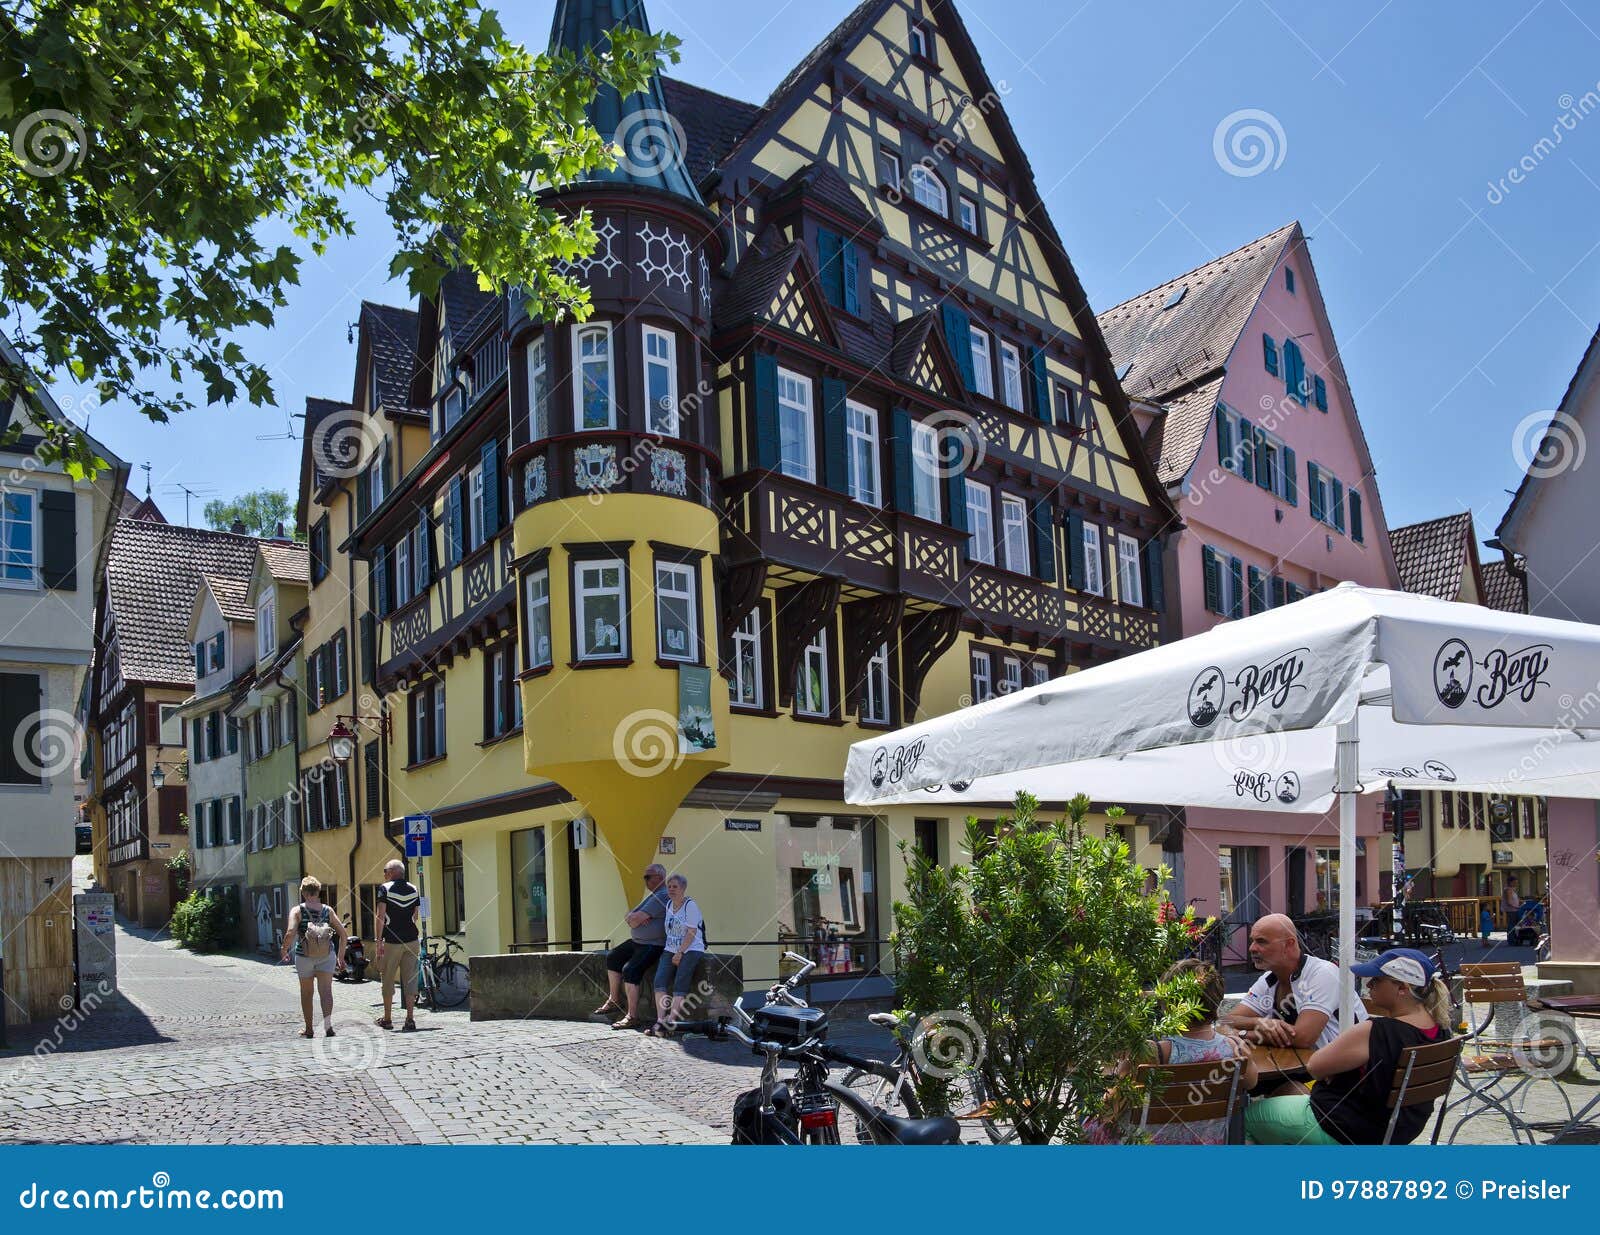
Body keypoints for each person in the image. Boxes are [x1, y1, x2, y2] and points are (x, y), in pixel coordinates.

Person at [1245, 948, 1455, 1144]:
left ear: (1402, 988)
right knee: (1289, 1092)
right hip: (1398, 1131)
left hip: (1344, 1128)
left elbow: (1315, 1067)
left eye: (1377, 980)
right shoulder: (1441, 1030)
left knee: (1242, 1118)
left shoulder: (1377, 1030)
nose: (1369, 984)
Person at [1087, 959, 1260, 1145]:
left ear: (1168, 1004)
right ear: (1217, 1001)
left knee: (1086, 1122)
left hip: (1148, 1145)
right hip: (1205, 1143)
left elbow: (1109, 1107)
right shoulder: (1235, 1048)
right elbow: (1252, 1082)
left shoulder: (1154, 1053)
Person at [1223, 913, 1365, 1060]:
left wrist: (1243, 1034)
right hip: (1301, 1064)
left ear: (1289, 944)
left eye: (1261, 941)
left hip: (1341, 1072)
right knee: (1243, 1079)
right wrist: (1258, 1022)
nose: (1252, 948)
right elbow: (1227, 1020)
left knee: (1249, 1080)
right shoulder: (1269, 978)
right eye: (1252, 941)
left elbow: (1303, 1038)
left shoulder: (1322, 974)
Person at [592, 863, 669, 1030]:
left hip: (653, 944)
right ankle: (614, 1000)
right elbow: (628, 915)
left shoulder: (662, 896)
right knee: (613, 957)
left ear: (660, 878)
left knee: (630, 970)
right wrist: (635, 917)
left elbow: (633, 921)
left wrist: (635, 918)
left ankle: (632, 1016)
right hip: (638, 942)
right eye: (644, 877)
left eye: (648, 877)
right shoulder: (652, 896)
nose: (645, 880)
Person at [281, 876, 349, 1039]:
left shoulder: (297, 910)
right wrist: (341, 957)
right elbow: (343, 934)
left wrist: (284, 949)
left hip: (304, 956)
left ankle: (309, 1029)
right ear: (318, 892)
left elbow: (290, 932)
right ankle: (328, 1026)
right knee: (326, 992)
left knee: (306, 993)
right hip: (327, 955)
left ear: (303, 892)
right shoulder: (328, 910)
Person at [649, 873, 706, 1037]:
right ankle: (660, 1020)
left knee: (681, 982)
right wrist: (673, 951)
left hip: (691, 948)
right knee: (659, 981)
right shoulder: (668, 905)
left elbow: (691, 932)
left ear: (683, 889)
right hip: (670, 948)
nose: (672, 889)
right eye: (669, 886)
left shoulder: (690, 905)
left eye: (675, 887)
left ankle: (671, 1022)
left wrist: (680, 952)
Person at [374, 858, 422, 1032]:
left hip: (392, 942)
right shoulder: (414, 888)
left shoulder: (384, 889)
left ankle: (387, 1019)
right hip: (412, 940)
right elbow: (415, 915)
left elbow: (380, 916)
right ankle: (410, 1018)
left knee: (387, 979)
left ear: (392, 872)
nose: (385, 874)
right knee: (410, 979)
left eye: (385, 870)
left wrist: (378, 940)